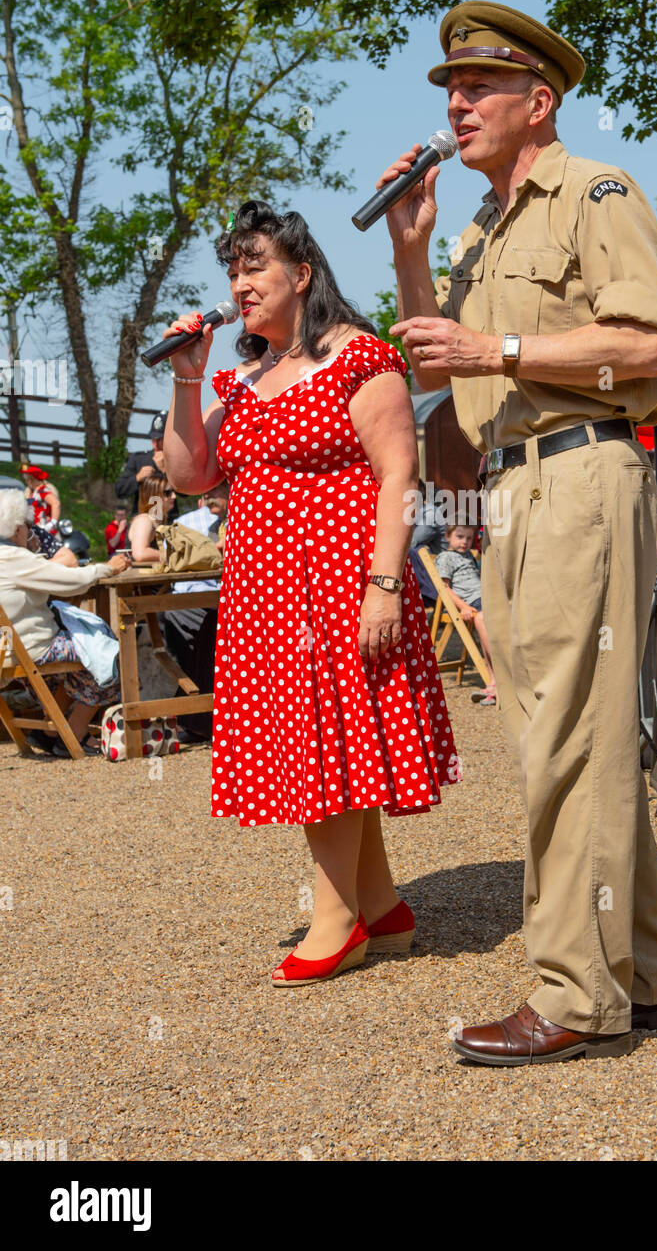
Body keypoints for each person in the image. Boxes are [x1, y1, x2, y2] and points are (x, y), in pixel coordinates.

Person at [384, 0, 657, 1064]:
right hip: (509, 496)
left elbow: (645, 350)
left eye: (476, 87)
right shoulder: (481, 224)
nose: (456, 103)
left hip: (581, 472)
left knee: (563, 744)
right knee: (565, 738)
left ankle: (574, 995)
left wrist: (501, 348)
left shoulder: (595, 191)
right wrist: (413, 253)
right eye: (447, 90)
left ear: (539, 101)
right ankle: (654, 974)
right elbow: (439, 366)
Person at [161, 199, 460, 987]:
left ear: (302, 273)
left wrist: (386, 586)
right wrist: (188, 380)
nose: (240, 281)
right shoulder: (241, 376)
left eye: (254, 264)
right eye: (232, 268)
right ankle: (380, 902)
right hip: (265, 598)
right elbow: (190, 475)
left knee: (328, 752)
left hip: (342, 584)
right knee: (317, 747)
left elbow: (401, 473)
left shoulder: (359, 356)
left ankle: (338, 920)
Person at [0, 489, 130, 755]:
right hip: (29, 650)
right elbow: (72, 581)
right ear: (16, 530)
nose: (29, 530)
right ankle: (71, 737)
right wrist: (108, 567)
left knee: (84, 651)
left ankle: (51, 729)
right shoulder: (15, 560)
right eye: (27, 525)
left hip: (6, 651)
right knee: (108, 652)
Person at [162, 483, 229, 744]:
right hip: (217, 599)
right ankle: (198, 716)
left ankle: (199, 717)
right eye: (205, 490)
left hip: (245, 604)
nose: (205, 494)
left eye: (214, 490)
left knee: (202, 624)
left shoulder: (240, 518)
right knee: (185, 619)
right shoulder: (214, 524)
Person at [435, 523, 496, 703]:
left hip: (483, 597)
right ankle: (497, 677)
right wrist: (463, 607)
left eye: (469, 538)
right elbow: (444, 589)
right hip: (470, 602)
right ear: (447, 536)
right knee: (482, 619)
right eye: (460, 537)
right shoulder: (445, 557)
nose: (465, 542)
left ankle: (501, 678)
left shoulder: (469, 556)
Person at [114, 413, 167, 515]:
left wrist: (165, 470)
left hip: (168, 520)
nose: (155, 443)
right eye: (153, 439)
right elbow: (119, 490)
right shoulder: (139, 459)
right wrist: (137, 478)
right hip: (142, 516)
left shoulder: (177, 461)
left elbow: (185, 493)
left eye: (160, 439)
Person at [127, 476, 177, 564]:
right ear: (154, 496)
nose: (174, 496)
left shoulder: (159, 521)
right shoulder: (144, 520)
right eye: (167, 493)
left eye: (173, 492)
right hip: (138, 576)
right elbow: (140, 553)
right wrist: (173, 555)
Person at [20, 464, 61, 530]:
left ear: (31, 480)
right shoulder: (31, 491)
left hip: (43, 528)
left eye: (27, 479)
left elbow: (56, 503)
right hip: (34, 528)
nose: (27, 482)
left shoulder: (42, 491)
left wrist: (52, 523)